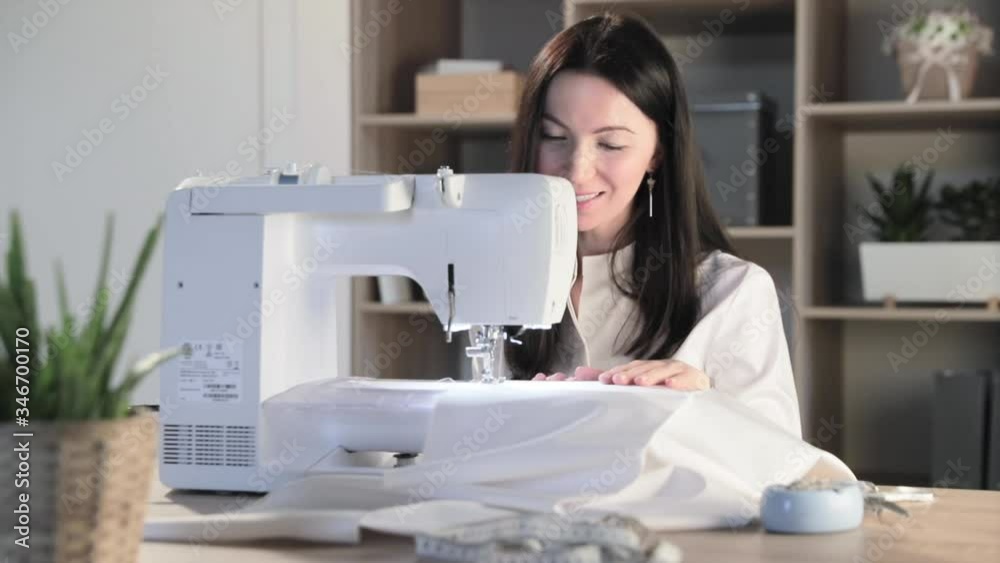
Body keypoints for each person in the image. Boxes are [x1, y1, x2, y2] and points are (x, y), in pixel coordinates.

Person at [500, 12, 802, 437]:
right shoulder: (497, 285)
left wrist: (705, 406)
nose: (577, 170)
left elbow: (785, 471)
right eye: (554, 137)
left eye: (610, 143)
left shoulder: (734, 293)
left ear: (657, 152)